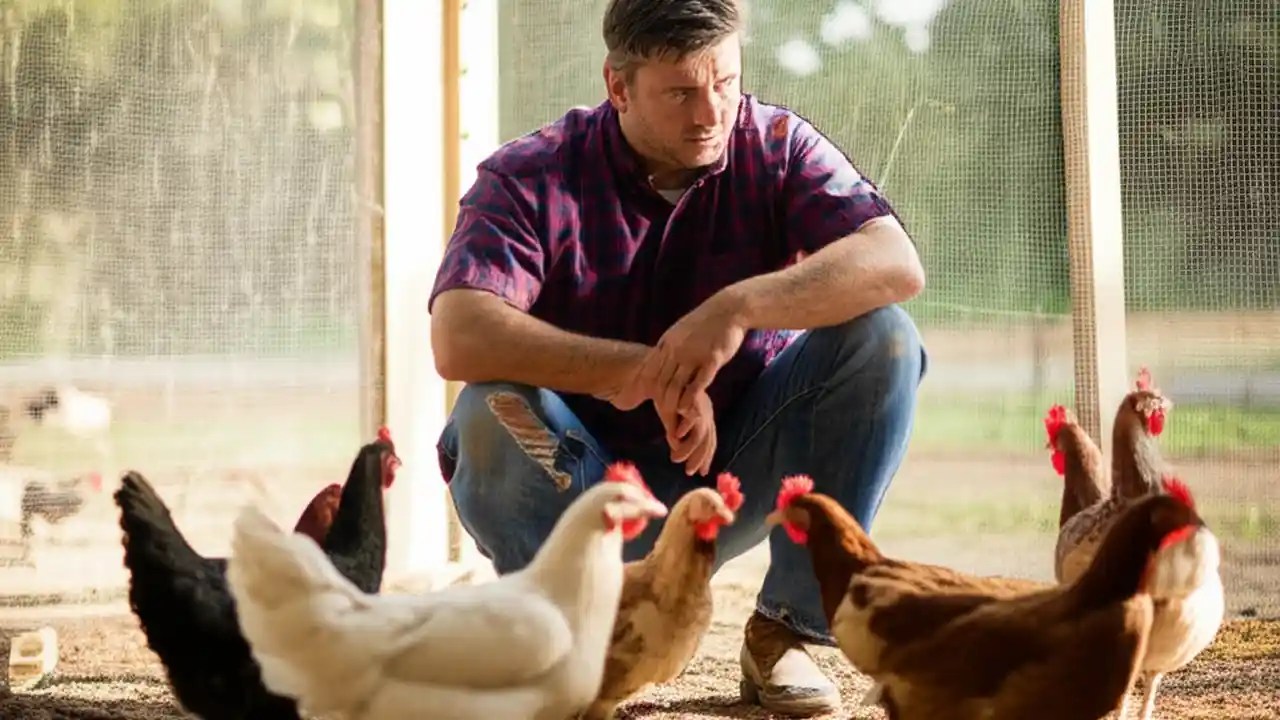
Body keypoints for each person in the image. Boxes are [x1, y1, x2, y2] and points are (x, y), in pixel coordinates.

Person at [428, 0, 927, 714]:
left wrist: (734, 310)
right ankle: (557, 645)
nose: (710, 112)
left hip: (725, 483)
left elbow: (894, 262)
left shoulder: (777, 143)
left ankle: (785, 632)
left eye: (724, 81)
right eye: (681, 93)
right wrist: (642, 371)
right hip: (578, 484)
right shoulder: (529, 173)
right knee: (489, 408)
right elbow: (458, 334)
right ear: (619, 86)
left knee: (885, 339)